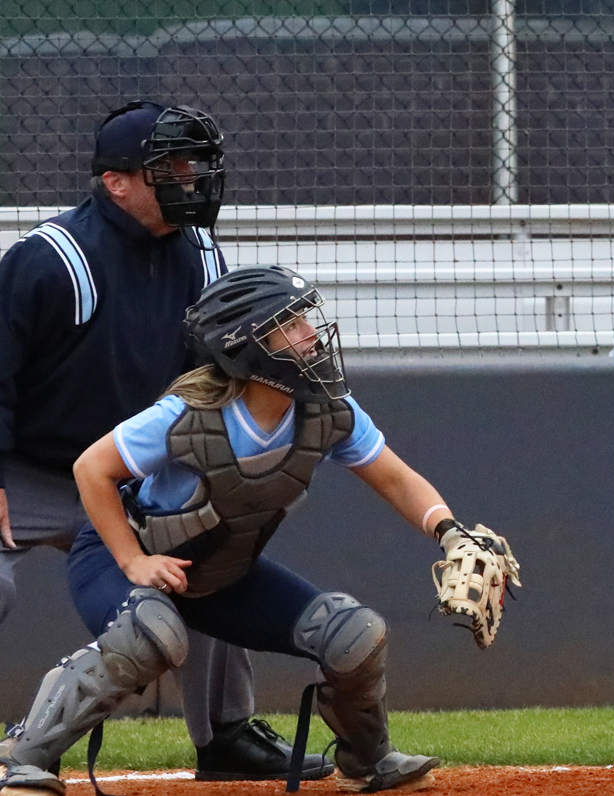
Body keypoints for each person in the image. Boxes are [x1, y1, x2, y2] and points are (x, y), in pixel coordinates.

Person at [0, 266, 522, 795]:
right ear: (249, 344)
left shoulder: (327, 410)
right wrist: (133, 561)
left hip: (221, 573)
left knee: (355, 636)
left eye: (305, 320)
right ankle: (22, 757)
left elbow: (397, 480)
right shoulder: (188, 413)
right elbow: (92, 469)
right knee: (149, 635)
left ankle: (368, 760)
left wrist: (449, 532)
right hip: (123, 559)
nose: (311, 334)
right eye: (291, 324)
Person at [0, 101, 330, 781]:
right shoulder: (51, 259)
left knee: (210, 557)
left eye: (196, 163)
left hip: (137, 467)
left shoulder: (203, 253)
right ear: (115, 182)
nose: (192, 178)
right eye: (170, 167)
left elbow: (223, 366)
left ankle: (228, 736)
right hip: (31, 468)